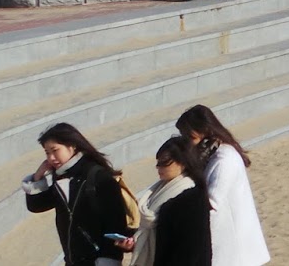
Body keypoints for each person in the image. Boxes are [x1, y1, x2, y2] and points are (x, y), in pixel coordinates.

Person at [22, 122, 130, 266]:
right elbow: (37, 206)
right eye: (47, 153)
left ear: (72, 145)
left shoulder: (99, 177)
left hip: (97, 261)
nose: (51, 158)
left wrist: (108, 260)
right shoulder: (60, 175)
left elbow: (115, 224)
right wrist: (37, 178)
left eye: (55, 150)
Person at [175, 105, 269, 266]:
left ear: (205, 131)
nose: (187, 144)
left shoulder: (224, 158)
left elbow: (212, 203)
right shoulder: (211, 155)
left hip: (235, 250)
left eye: (190, 137)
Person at [115, 135, 211, 266]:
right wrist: (132, 245)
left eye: (165, 162)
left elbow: (191, 249)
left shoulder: (192, 197)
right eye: (158, 162)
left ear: (183, 162)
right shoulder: (159, 190)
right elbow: (155, 235)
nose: (158, 167)